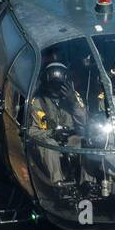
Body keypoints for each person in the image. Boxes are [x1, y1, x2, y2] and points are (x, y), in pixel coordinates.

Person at [28, 62, 88, 195]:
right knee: (50, 145)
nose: (56, 88)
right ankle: (58, 184)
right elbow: (30, 132)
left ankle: (87, 182)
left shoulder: (73, 99)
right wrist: (53, 133)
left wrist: (73, 103)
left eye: (59, 85)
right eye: (53, 85)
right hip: (49, 140)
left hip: (71, 138)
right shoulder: (37, 102)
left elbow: (84, 124)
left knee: (84, 142)